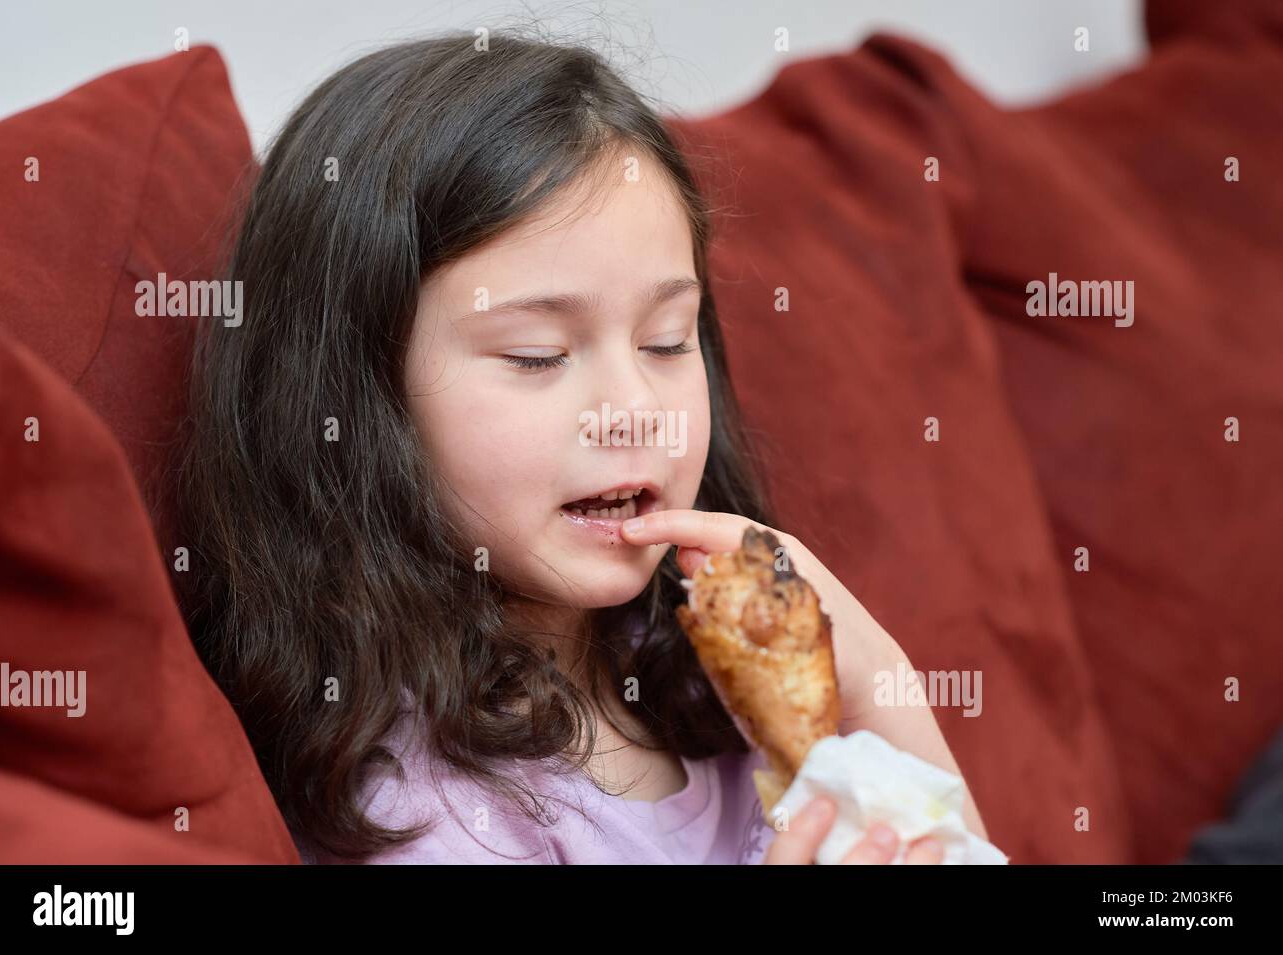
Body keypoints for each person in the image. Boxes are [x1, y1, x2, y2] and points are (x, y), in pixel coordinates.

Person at [175, 29, 987, 865]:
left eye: (667, 341)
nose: (634, 408)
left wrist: (874, 679)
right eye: (539, 355)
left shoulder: (713, 674)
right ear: (357, 394)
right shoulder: (417, 810)